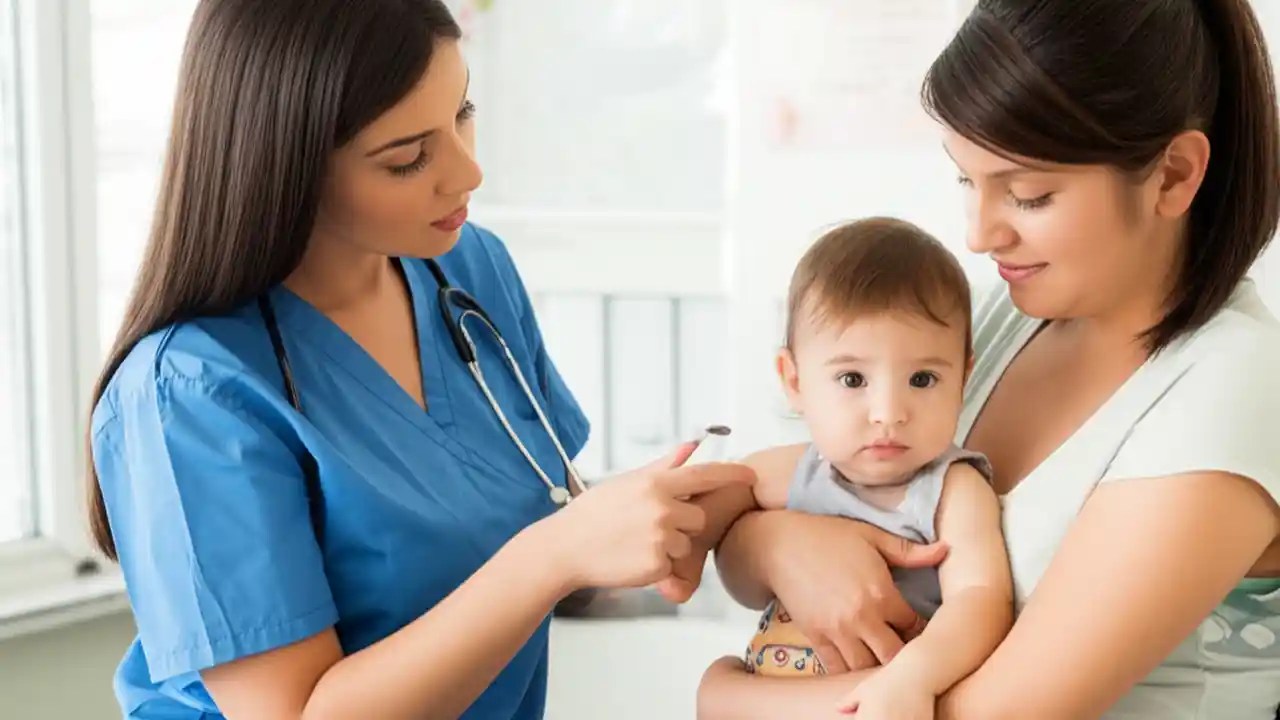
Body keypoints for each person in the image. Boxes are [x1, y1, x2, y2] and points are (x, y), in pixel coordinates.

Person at [85, 2, 751, 718]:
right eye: (408, 157)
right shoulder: (189, 392)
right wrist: (554, 555)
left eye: (463, 113)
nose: (468, 172)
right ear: (285, 165)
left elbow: (568, 522)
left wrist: (764, 527)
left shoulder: (469, 270)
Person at [699, 0, 1280, 718]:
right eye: (966, 181)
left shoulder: (1230, 387)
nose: (978, 234)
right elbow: (797, 481)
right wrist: (779, 542)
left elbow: (996, 712)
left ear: (1172, 175)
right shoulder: (1001, 318)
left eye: (1029, 196)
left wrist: (726, 697)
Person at [674, 218, 1013, 719]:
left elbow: (982, 600)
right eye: (853, 378)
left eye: (922, 378)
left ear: (963, 376)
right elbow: (731, 490)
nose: (888, 412)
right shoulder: (798, 468)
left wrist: (912, 677)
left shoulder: (950, 489)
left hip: (878, 698)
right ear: (794, 380)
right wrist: (686, 546)